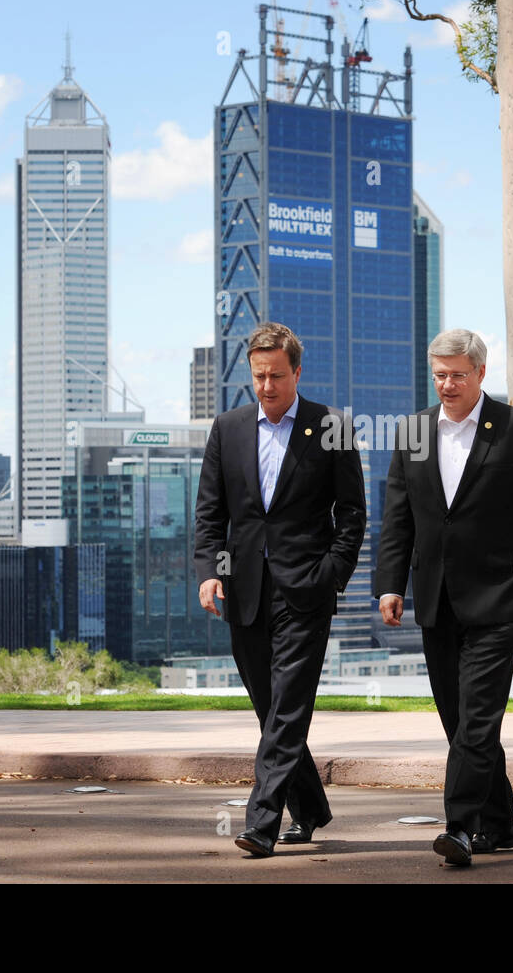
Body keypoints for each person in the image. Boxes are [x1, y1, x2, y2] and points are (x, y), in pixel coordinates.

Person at [374, 328, 513, 866]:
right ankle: (502, 823)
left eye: (458, 374)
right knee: (461, 722)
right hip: (436, 599)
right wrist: (390, 583)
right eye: (439, 374)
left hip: (500, 597)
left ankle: (460, 827)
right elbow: (398, 515)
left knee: (478, 719)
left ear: (481, 373)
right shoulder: (412, 430)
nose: (448, 384)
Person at [194, 322, 366, 857]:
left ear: (297, 371)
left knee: (289, 707)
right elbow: (211, 513)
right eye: (258, 376)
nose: (265, 386)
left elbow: (353, 513)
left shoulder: (330, 425)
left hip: (306, 590)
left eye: (276, 375)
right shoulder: (228, 427)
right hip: (244, 590)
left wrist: (331, 573)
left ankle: (261, 823)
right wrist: (210, 570)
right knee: (271, 708)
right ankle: (311, 808)